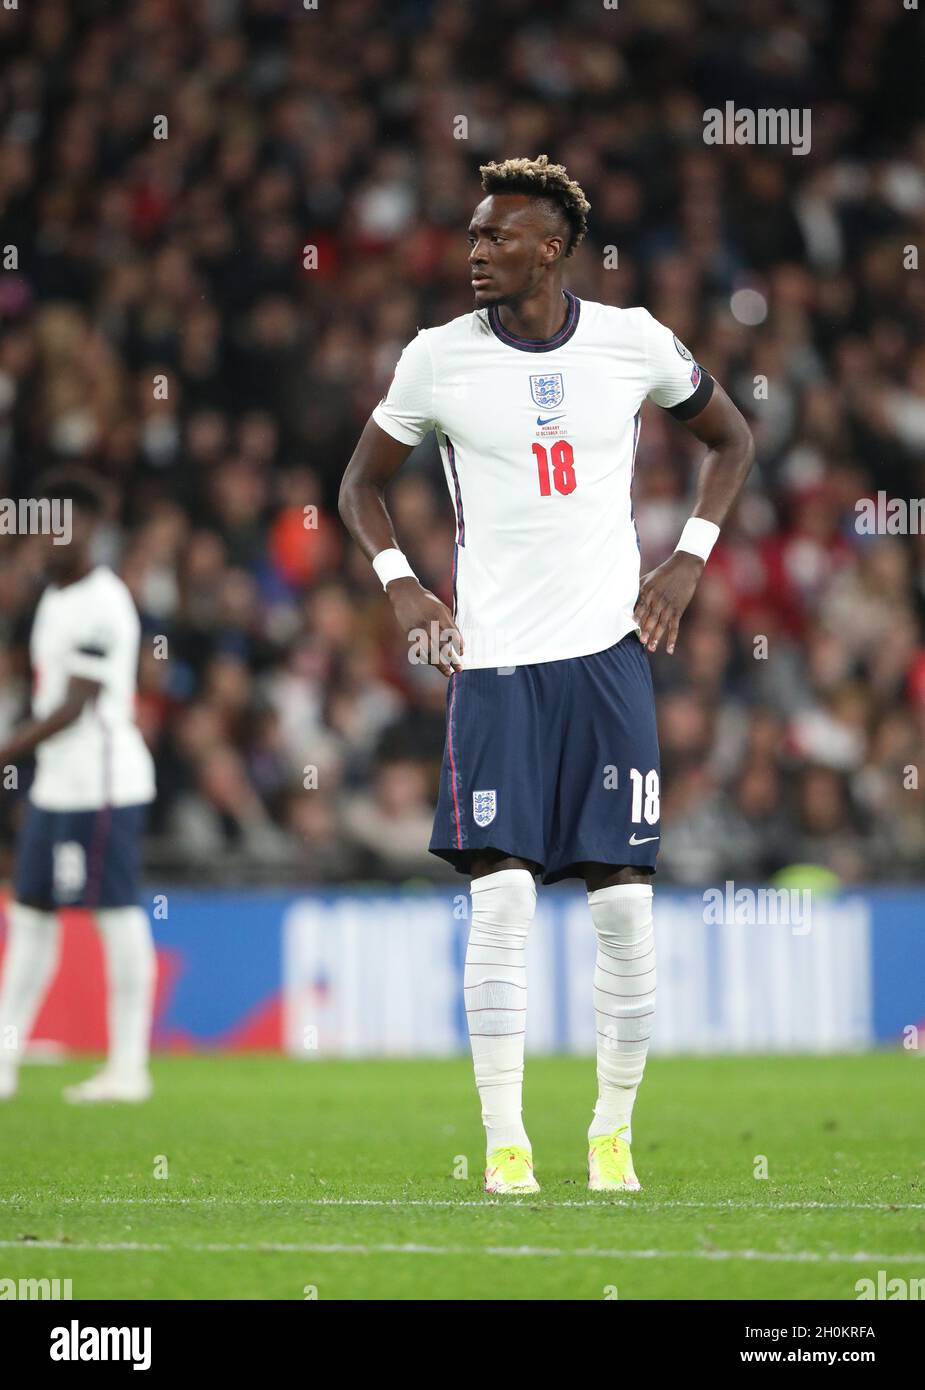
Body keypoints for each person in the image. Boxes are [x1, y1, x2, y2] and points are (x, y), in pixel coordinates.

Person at [339, 155, 754, 1194]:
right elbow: (358, 485)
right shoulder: (436, 359)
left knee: (621, 912)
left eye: (498, 237)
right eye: (474, 236)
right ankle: (504, 1143)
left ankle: (611, 1136)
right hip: (493, 668)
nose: (476, 253)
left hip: (606, 662)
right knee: (505, 903)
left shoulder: (632, 341)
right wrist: (402, 587)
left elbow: (731, 437)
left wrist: (689, 558)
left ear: (553, 248)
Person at [0, 472, 157, 1103]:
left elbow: (76, 704)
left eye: (61, 523)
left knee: (115, 915)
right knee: (31, 915)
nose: (47, 536)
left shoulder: (102, 600)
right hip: (57, 786)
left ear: (91, 529)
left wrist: (6, 750)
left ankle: (128, 1067)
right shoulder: (56, 597)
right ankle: (6, 1057)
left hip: (103, 782)